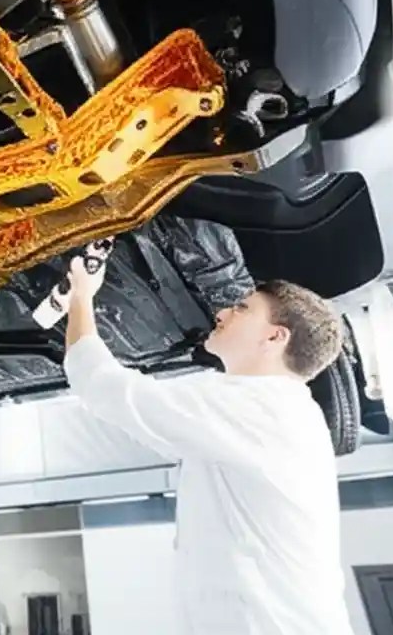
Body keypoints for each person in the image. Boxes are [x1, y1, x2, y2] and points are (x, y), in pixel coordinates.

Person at [61, 253, 354, 634]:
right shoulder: (268, 410)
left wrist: (82, 297)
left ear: (274, 336)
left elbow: (101, 385)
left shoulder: (264, 410)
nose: (223, 312)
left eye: (242, 308)